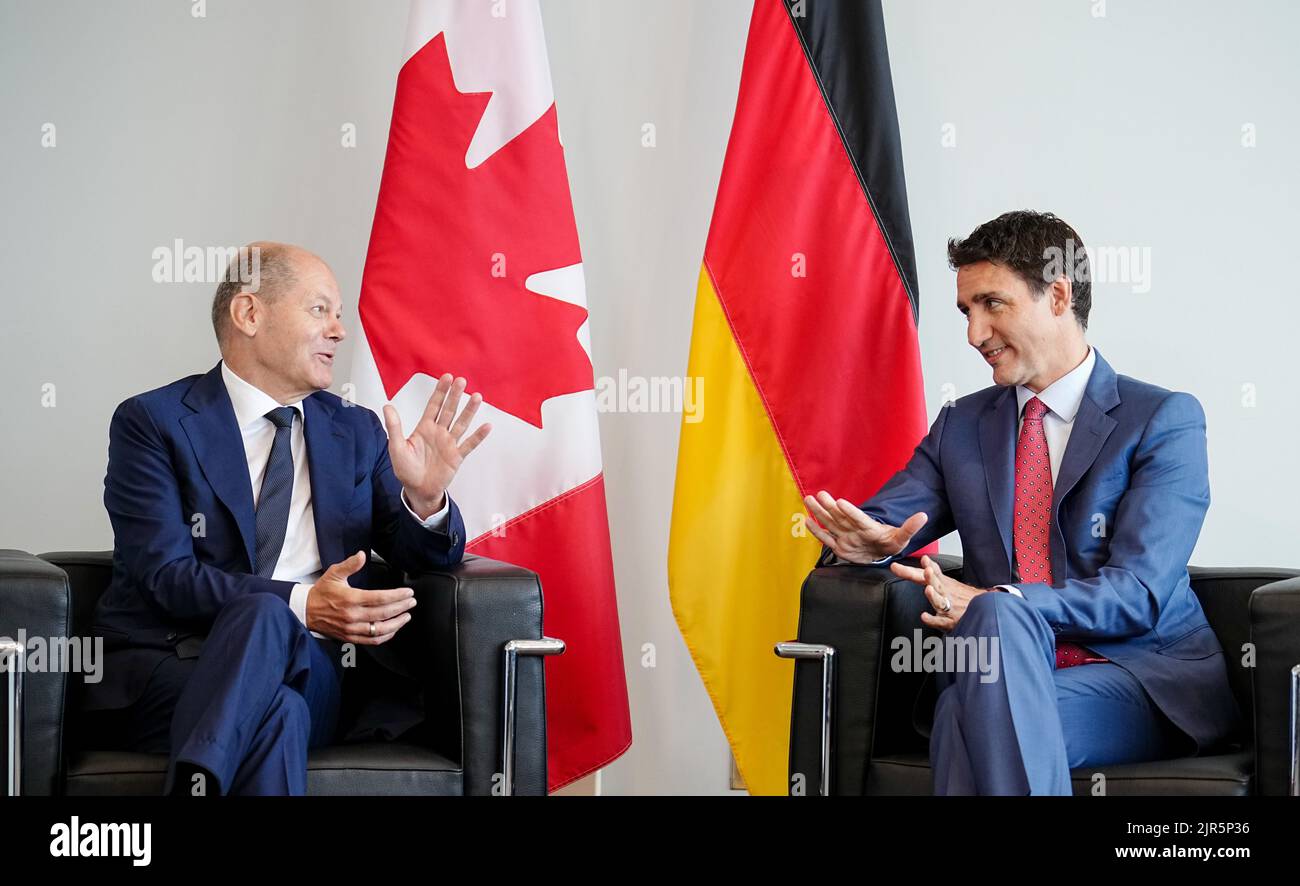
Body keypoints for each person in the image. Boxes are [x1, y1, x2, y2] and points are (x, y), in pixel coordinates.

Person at [803, 211, 1238, 795]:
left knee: (975, 687)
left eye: (992, 304)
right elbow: (884, 519)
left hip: (1135, 676)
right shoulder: (961, 426)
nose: (974, 334)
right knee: (983, 686)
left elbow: (1138, 594)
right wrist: (865, 543)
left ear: (1058, 295)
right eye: (965, 311)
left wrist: (999, 601)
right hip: (998, 674)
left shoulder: (1162, 420)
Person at [84, 242, 491, 795]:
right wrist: (302, 603)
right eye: (320, 309)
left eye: (340, 315)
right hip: (174, 666)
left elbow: (421, 559)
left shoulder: (357, 430)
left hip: (319, 669)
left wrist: (424, 499)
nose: (339, 332)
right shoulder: (153, 423)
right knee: (277, 711)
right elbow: (164, 576)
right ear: (250, 314)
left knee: (269, 625)